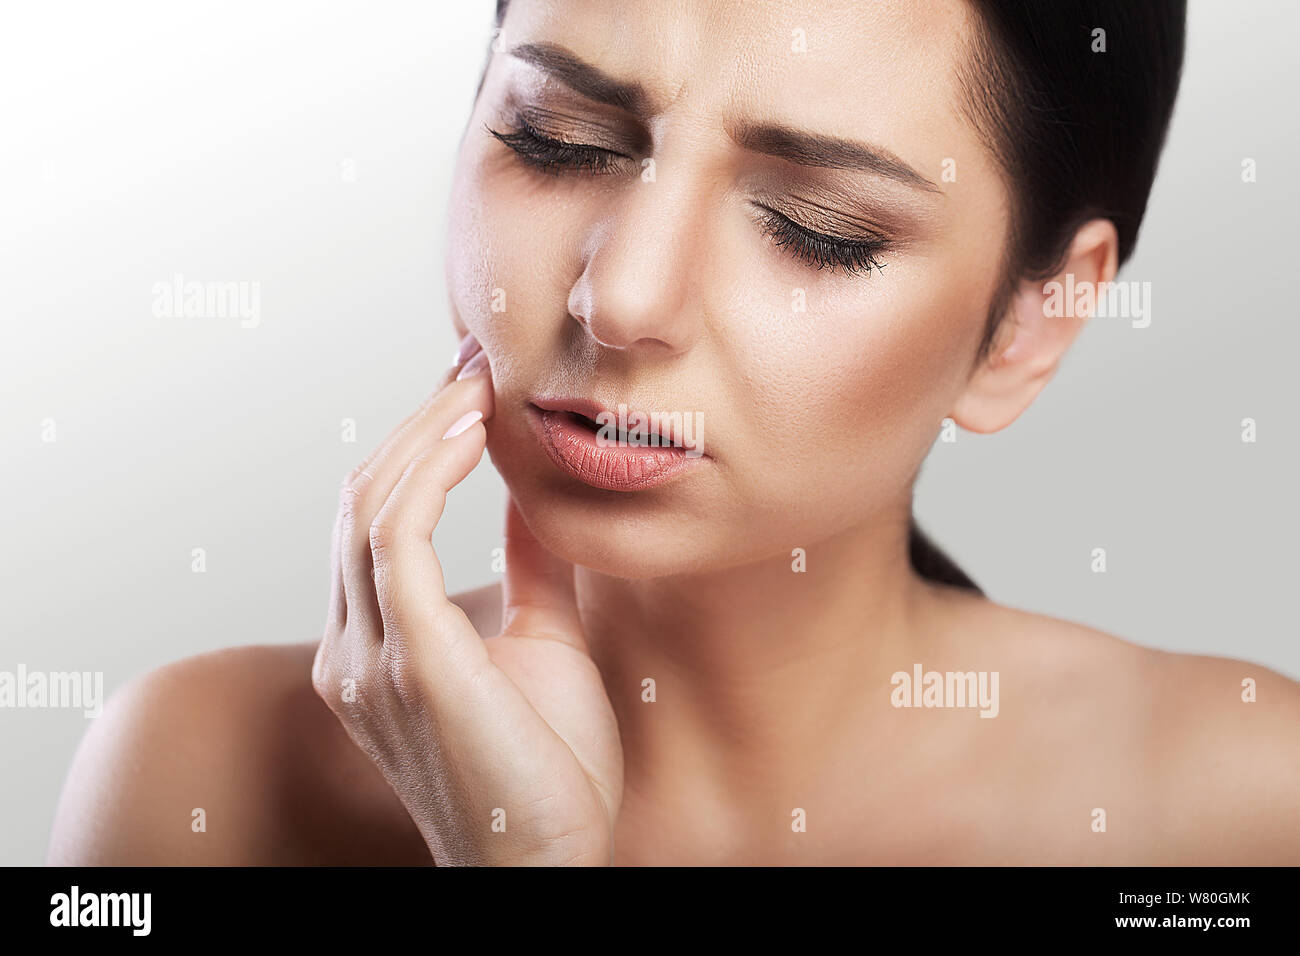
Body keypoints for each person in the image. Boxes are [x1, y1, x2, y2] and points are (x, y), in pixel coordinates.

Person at [48, 0, 1300, 865]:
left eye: (816, 224)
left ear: (1033, 319)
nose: (621, 297)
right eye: (555, 141)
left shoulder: (1239, 804)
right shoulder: (197, 771)